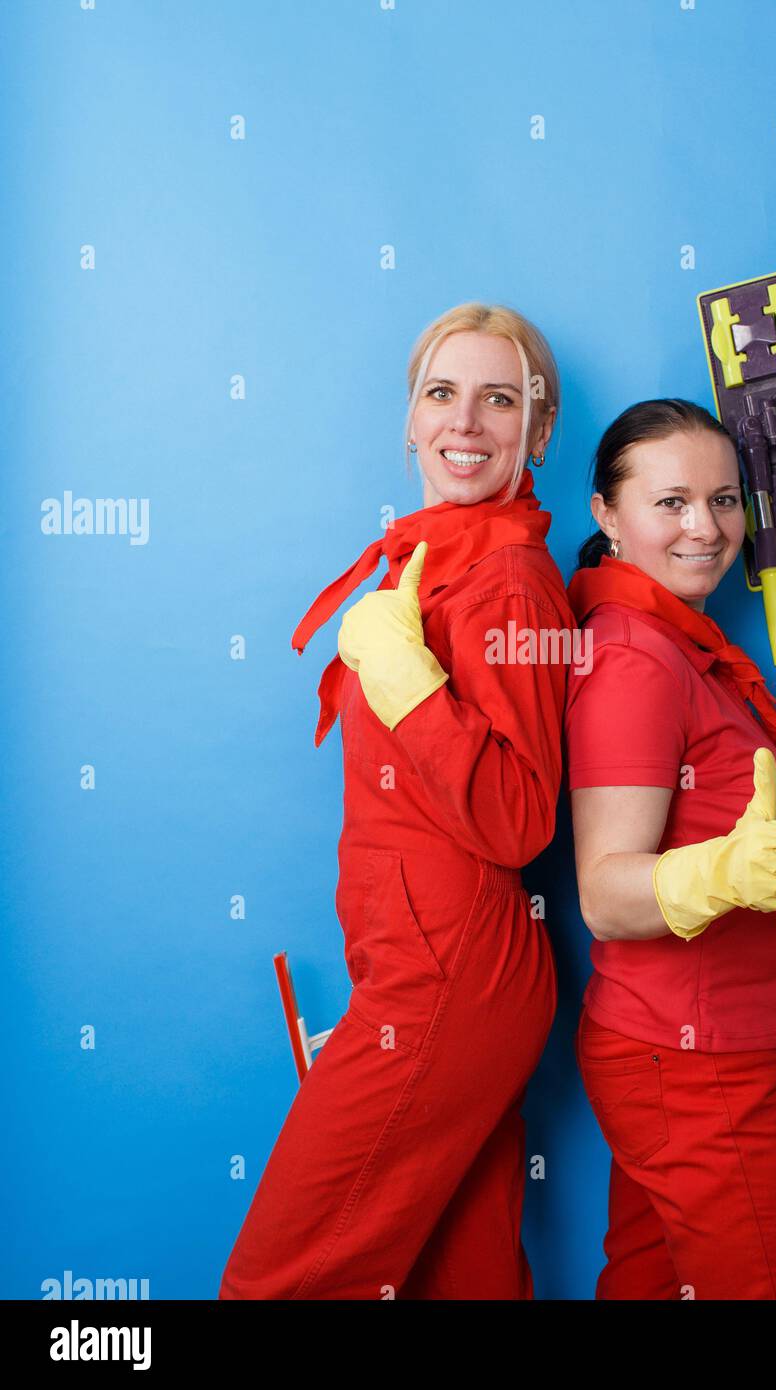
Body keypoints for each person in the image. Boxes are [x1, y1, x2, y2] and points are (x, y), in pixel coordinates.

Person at [219, 303, 575, 1300]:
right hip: (424, 973)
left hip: (447, 977)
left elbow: (517, 819)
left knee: (277, 1284)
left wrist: (404, 676)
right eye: (441, 394)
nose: (466, 422)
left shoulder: (505, 579)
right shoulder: (432, 562)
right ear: (409, 421)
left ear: (536, 433)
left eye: (499, 399)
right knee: (460, 1283)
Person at [564, 398, 776, 1300]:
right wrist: (725, 874)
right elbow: (605, 895)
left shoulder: (686, 647)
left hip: (695, 1057)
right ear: (607, 516)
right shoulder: (638, 660)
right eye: (672, 502)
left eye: (726, 500)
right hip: (696, 1071)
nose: (707, 528)